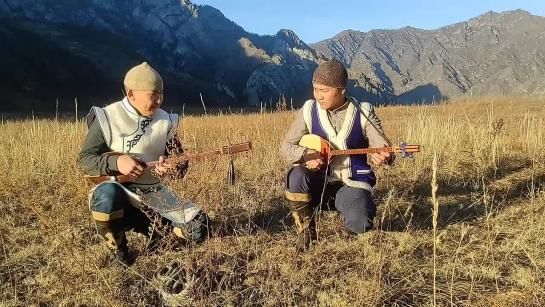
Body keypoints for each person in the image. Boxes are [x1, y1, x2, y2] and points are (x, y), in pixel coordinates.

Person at [78, 62, 209, 264]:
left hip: (153, 194)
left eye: (161, 94)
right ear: (131, 94)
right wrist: (117, 161)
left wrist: (173, 167)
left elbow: (180, 166)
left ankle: (162, 235)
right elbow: (85, 160)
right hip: (118, 194)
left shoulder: (167, 121)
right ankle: (118, 252)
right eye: (153, 94)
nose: (159, 101)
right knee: (106, 195)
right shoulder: (107, 117)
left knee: (201, 226)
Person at [280, 59, 394, 250]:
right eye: (315, 89)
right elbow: (286, 147)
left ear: (341, 90)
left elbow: (381, 145)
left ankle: (352, 220)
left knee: (360, 223)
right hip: (317, 184)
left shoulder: (363, 112)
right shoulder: (308, 110)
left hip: (352, 183)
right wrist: (306, 154)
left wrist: (385, 156)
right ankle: (306, 231)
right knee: (296, 175)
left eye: (323, 91)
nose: (318, 96)